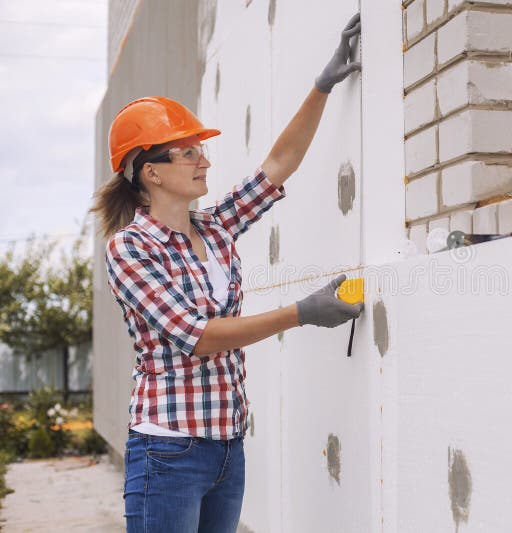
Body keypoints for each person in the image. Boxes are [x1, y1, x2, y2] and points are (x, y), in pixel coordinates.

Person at [89, 13, 364, 533]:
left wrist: (321, 86)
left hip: (226, 448)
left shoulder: (213, 229)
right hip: (168, 451)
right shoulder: (129, 250)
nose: (204, 161)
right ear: (151, 172)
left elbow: (277, 166)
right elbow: (199, 337)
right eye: (188, 152)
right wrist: (301, 314)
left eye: (202, 149)